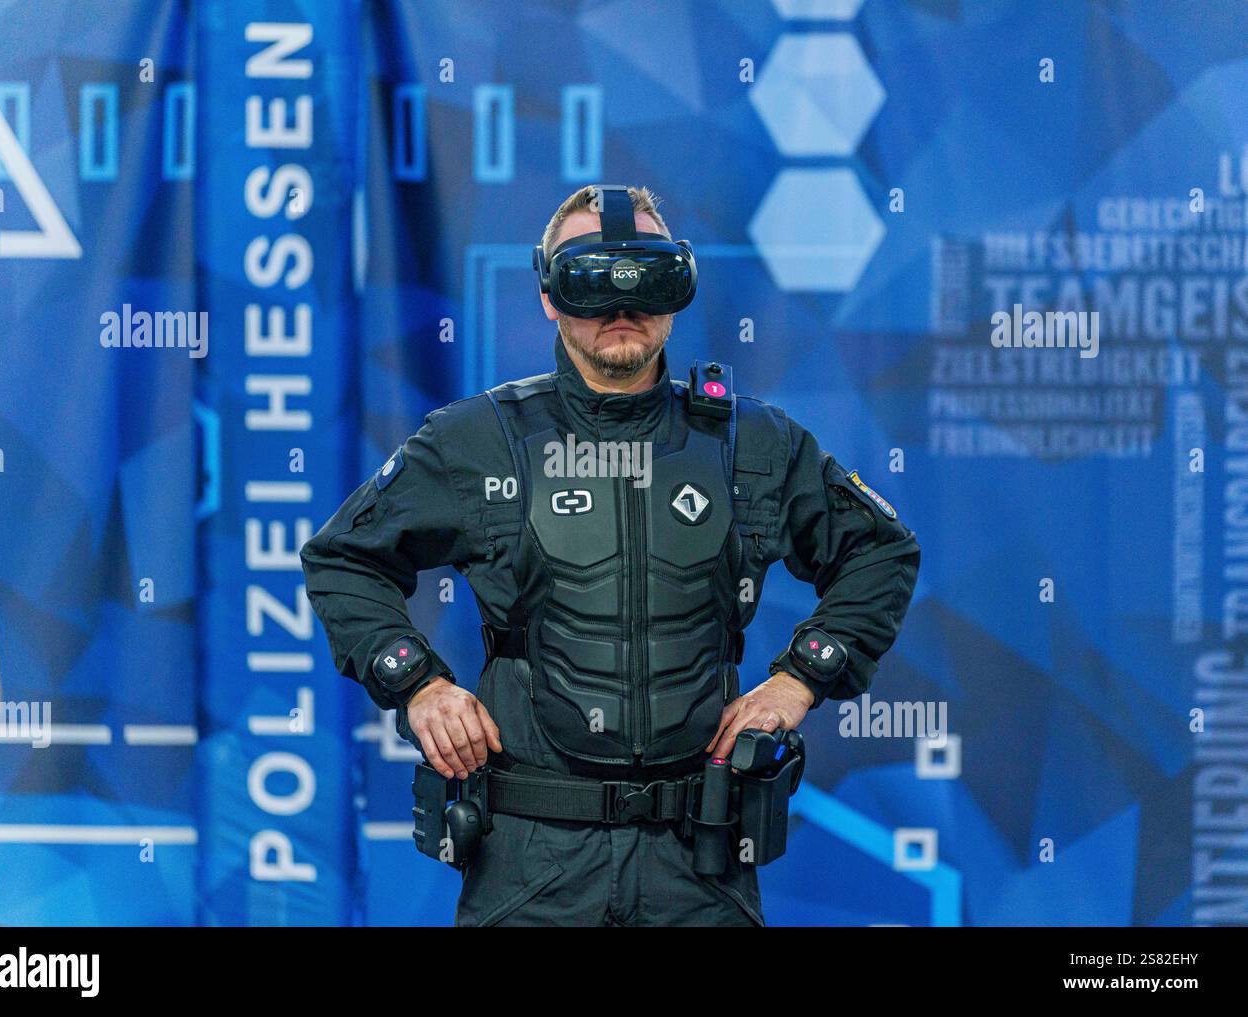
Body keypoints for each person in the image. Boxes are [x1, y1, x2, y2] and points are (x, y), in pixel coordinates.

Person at [302, 184, 920, 926]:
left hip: (701, 862)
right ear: (549, 296)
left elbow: (879, 551)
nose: (620, 308)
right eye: (591, 281)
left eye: (644, 278)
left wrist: (801, 678)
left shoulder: (753, 446)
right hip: (530, 865)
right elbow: (343, 559)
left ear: (676, 288)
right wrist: (418, 684)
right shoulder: (475, 442)